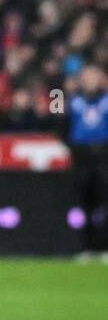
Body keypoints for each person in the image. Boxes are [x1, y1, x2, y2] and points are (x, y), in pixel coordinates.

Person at [65, 65, 108, 250]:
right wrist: (61, 89)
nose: (90, 80)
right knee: (84, 202)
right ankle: (87, 247)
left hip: (104, 155)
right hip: (82, 156)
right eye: (87, 76)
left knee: (104, 202)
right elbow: (54, 114)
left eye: (94, 76)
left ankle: (104, 247)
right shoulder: (71, 99)